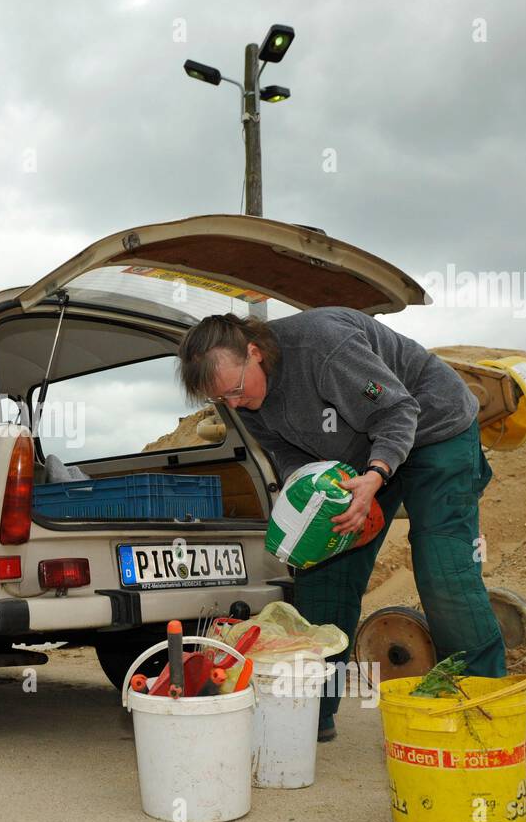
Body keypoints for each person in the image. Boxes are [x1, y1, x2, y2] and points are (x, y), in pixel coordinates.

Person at [178, 308, 505, 741]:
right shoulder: (243, 399)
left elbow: (397, 410)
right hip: (353, 458)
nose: (234, 405)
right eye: (222, 400)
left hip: (432, 429)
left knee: (442, 566)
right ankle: (310, 709)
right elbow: (288, 454)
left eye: (235, 390)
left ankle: (478, 703)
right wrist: (311, 496)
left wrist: (377, 475)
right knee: (324, 573)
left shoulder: (322, 347)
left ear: (254, 352)